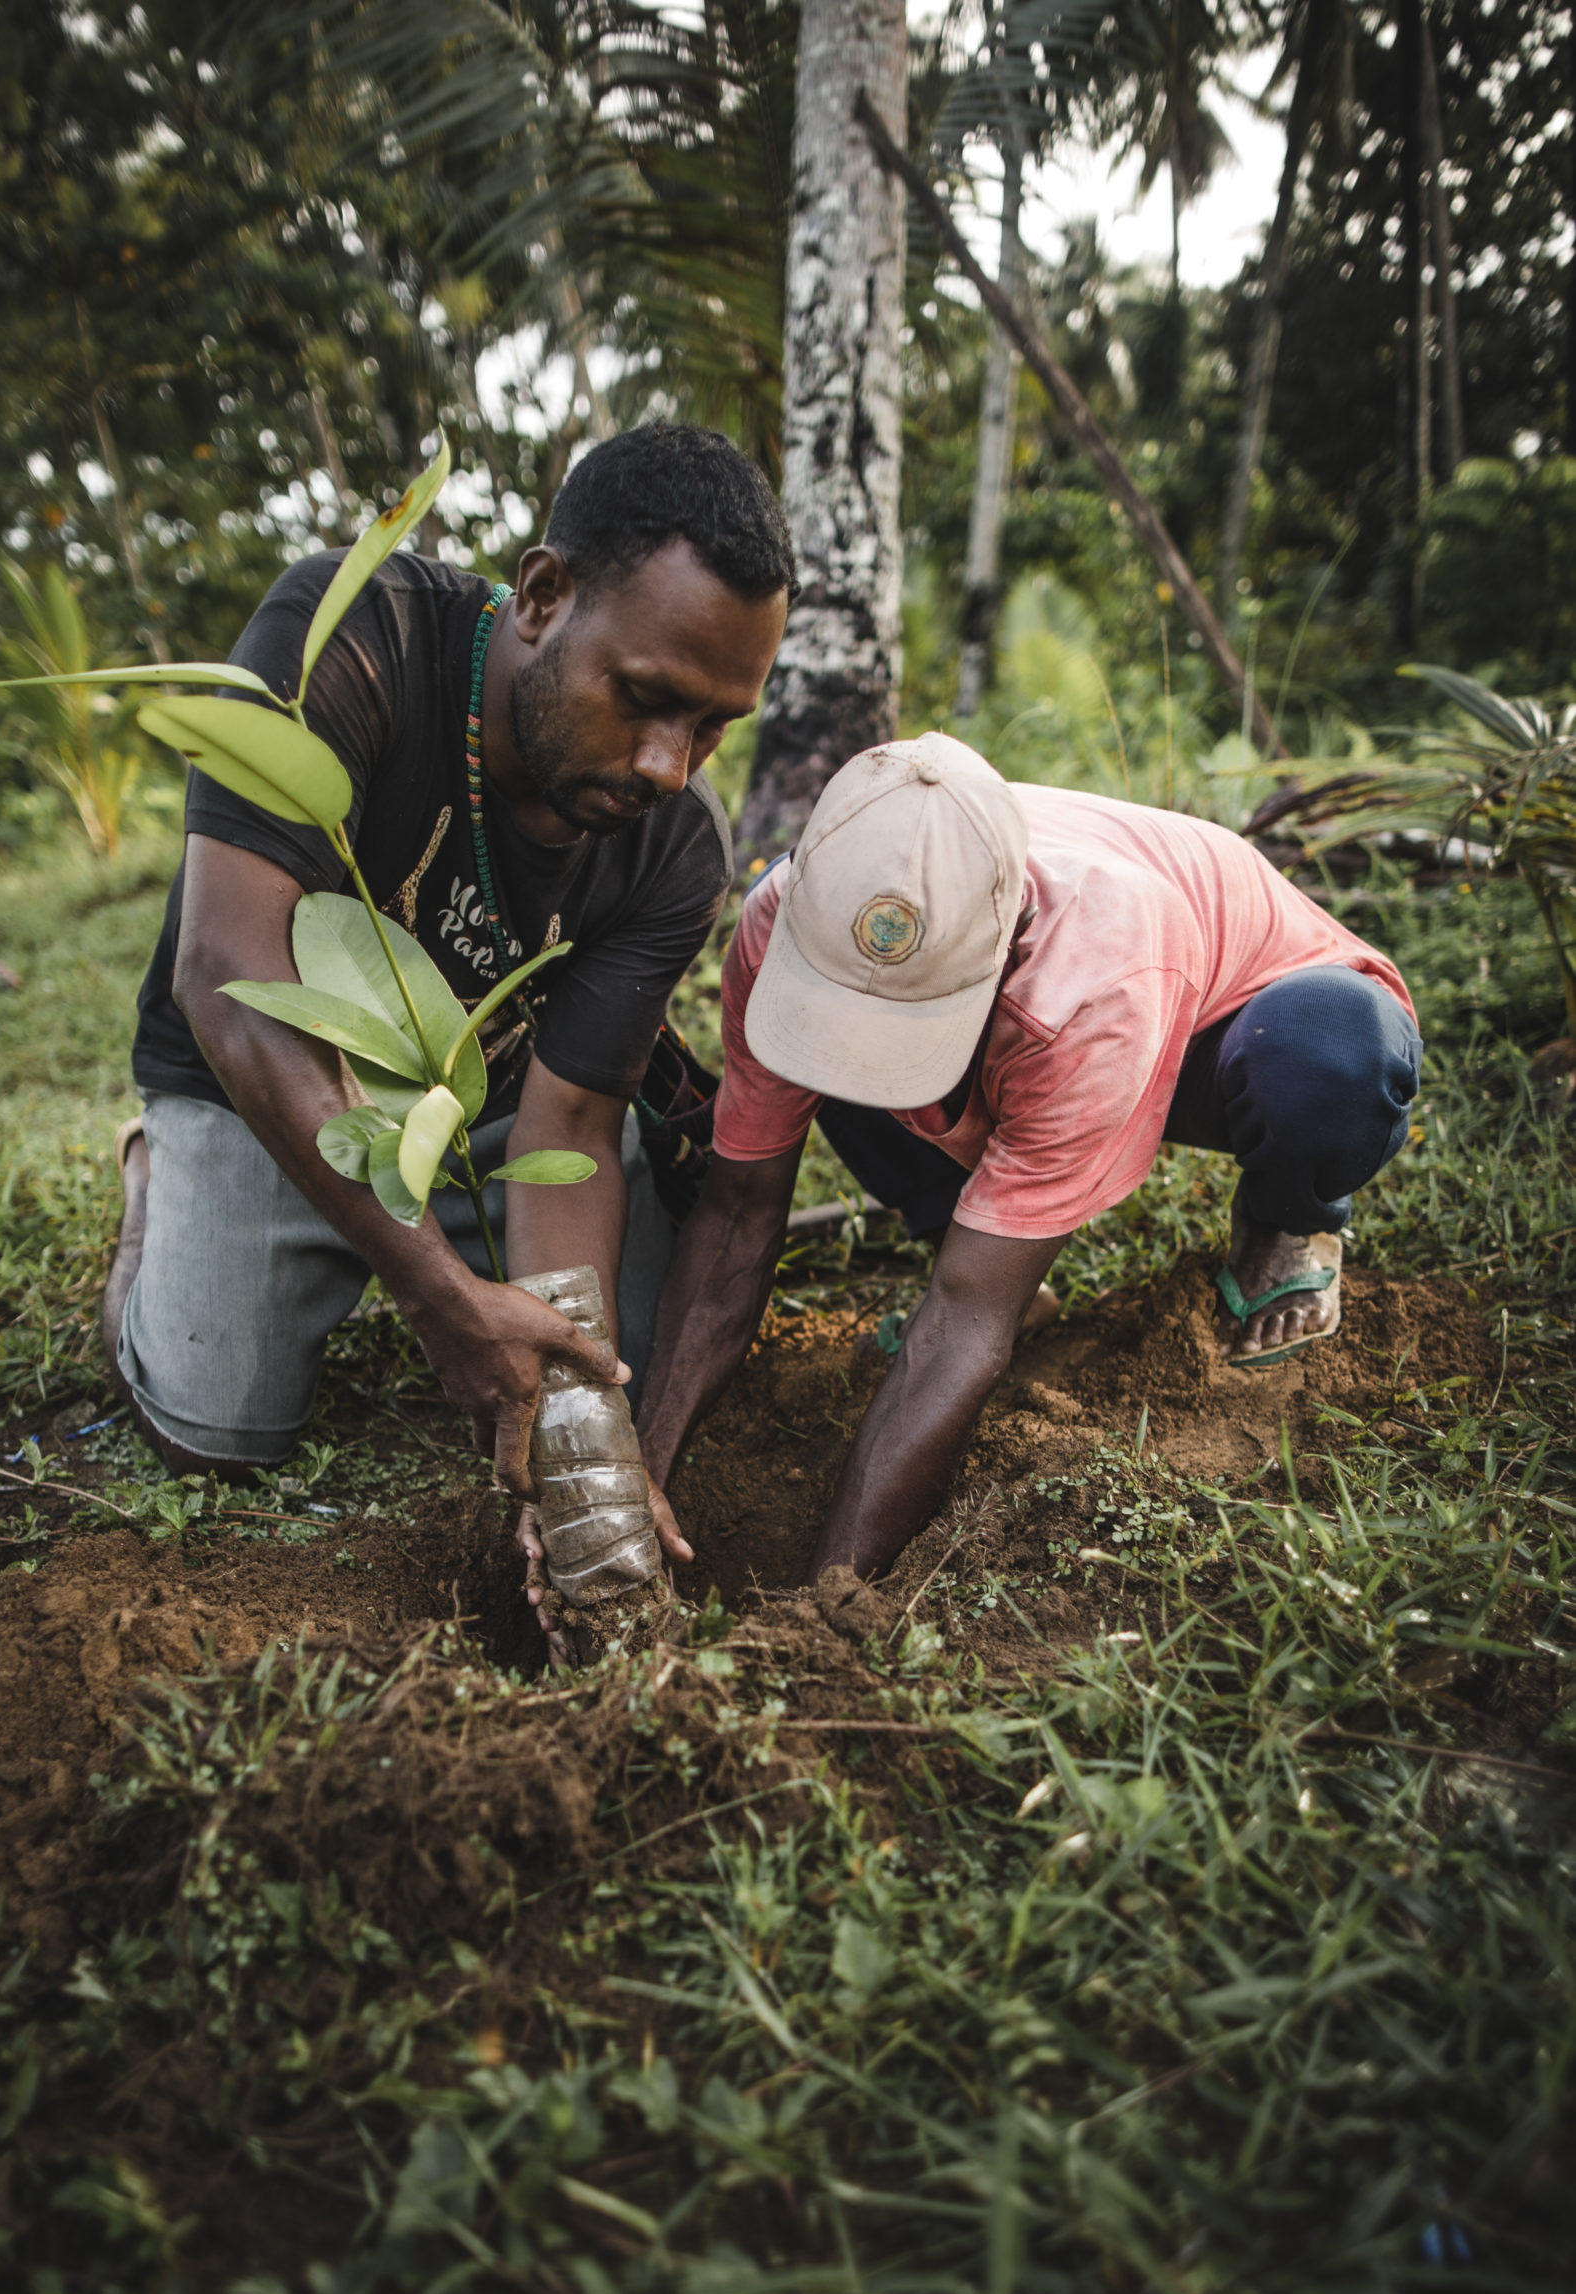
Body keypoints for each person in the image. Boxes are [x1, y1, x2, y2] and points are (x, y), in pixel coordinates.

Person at [104, 424, 794, 1496]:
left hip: (483, 1117)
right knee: (213, 1430)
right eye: (646, 697)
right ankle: (156, 1180)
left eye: (713, 725)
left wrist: (574, 1444)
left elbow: (571, 1123)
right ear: (542, 594)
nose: (669, 763)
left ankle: (428, 1258)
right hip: (262, 1078)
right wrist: (438, 1296)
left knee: (621, 1368)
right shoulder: (352, 641)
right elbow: (222, 969)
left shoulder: (677, 843)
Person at [625, 732, 1422, 1589]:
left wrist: (830, 1593)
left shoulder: (1094, 976)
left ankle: (1284, 1222)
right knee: (833, 1052)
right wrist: (634, 1482)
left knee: (1323, 1057)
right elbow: (738, 1209)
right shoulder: (790, 922)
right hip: (1014, 1021)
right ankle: (957, 1219)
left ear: (1011, 938)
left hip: (1227, 1026)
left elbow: (967, 1322)